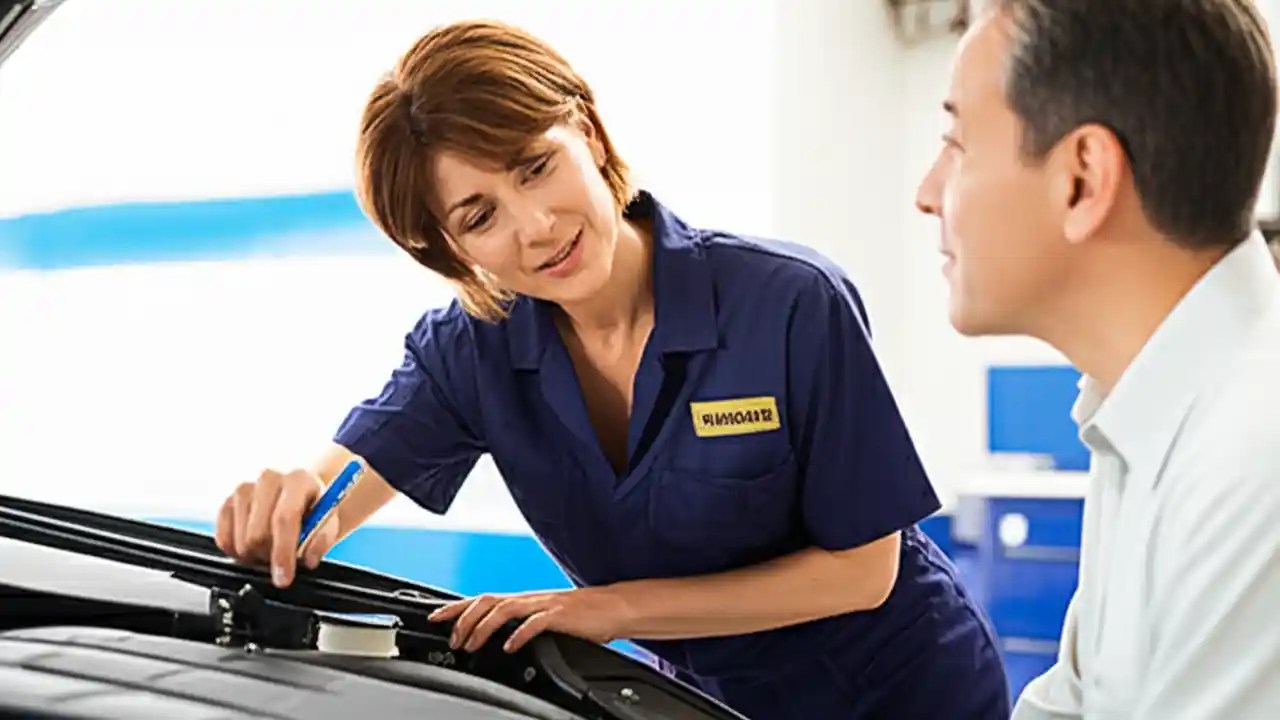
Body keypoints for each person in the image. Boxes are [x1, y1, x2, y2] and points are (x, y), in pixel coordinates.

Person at [214, 18, 1010, 720]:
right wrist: (292, 508)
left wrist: (608, 609)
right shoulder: (471, 348)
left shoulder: (789, 304)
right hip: (696, 706)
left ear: (588, 134)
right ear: (449, 250)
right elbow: (346, 481)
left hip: (901, 692)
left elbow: (861, 574)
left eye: (535, 166)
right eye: (479, 216)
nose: (536, 227)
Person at [916, 1, 1280, 718]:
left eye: (957, 143)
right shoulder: (1140, 412)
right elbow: (1074, 702)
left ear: (1082, 178)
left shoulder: (1254, 456)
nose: (928, 193)